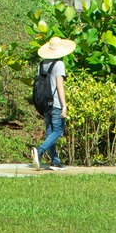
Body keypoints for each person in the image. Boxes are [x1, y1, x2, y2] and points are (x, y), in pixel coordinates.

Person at [30, 36, 74, 170]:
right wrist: (64, 106)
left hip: (44, 104)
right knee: (58, 131)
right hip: (55, 103)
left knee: (50, 132)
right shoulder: (59, 64)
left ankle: (55, 161)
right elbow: (60, 86)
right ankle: (40, 150)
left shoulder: (42, 64)